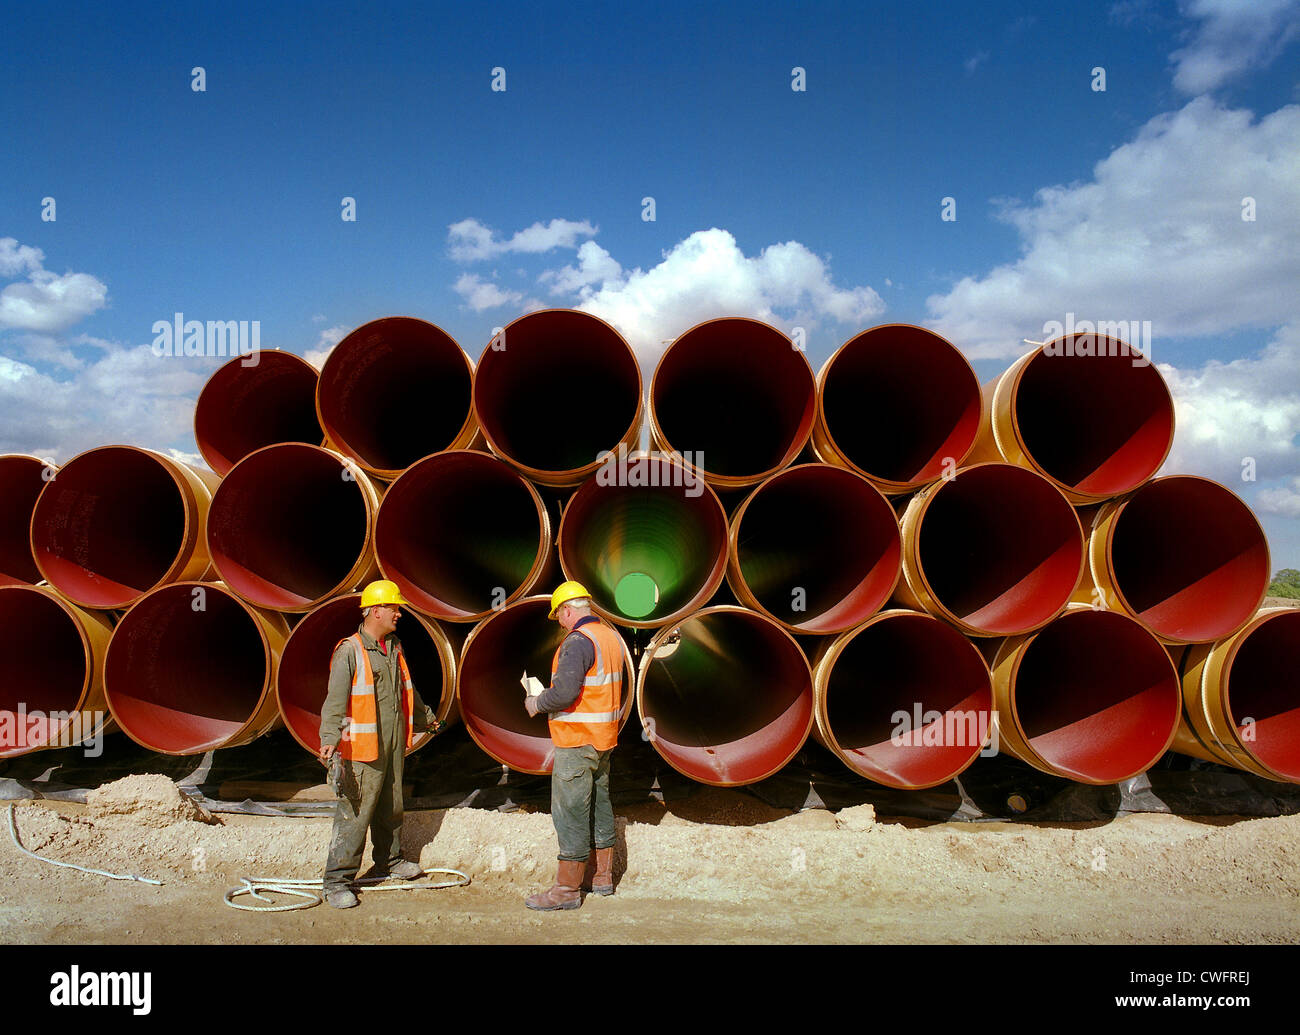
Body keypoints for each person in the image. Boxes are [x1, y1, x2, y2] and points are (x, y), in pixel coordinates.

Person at [319, 579, 442, 909]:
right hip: (363, 748)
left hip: (391, 745)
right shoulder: (350, 650)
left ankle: (391, 860)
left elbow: (407, 689)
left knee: (391, 804)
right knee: (356, 812)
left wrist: (426, 717)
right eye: (393, 607)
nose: (398, 613)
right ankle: (337, 881)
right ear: (375, 611)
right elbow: (335, 700)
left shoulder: (394, 647)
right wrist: (329, 739)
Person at [523, 580, 625, 911]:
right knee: (599, 803)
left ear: (568, 611)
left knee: (569, 811)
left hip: (577, 740)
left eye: (560, 617)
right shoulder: (609, 637)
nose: (561, 623)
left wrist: (537, 702)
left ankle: (566, 890)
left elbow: (565, 693)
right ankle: (601, 878)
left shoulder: (578, 642)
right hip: (603, 740)